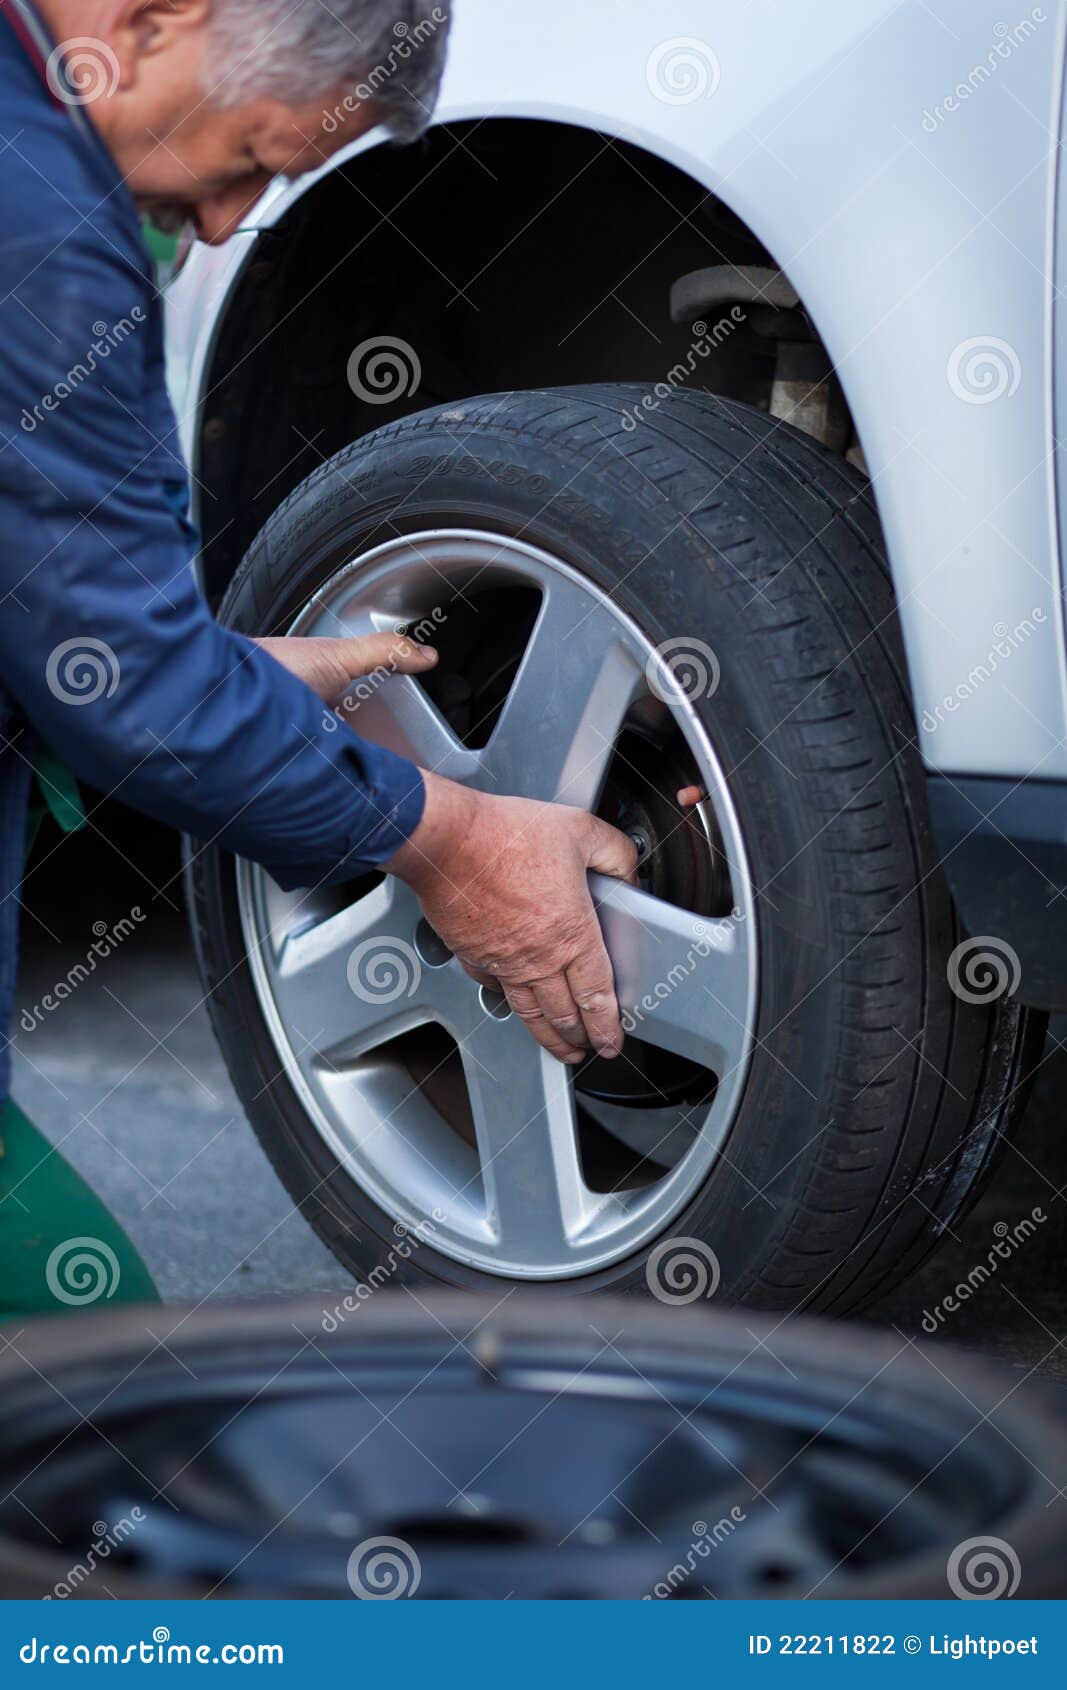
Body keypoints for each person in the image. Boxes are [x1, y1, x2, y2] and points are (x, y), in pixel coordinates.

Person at [0, 0, 637, 1316]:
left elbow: (80, 623)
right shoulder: (42, 224)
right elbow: (124, 680)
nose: (229, 225)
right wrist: (450, 836)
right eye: (249, 162)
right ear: (151, 21)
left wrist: (203, 675)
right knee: (78, 1365)